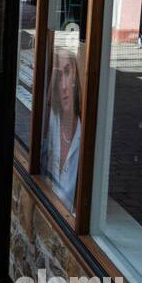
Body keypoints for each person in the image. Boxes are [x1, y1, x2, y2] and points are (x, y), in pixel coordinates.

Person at [42, 45, 82, 209]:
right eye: (58, 76)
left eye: (67, 72)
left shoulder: (84, 136)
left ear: (75, 77)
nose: (64, 85)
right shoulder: (49, 123)